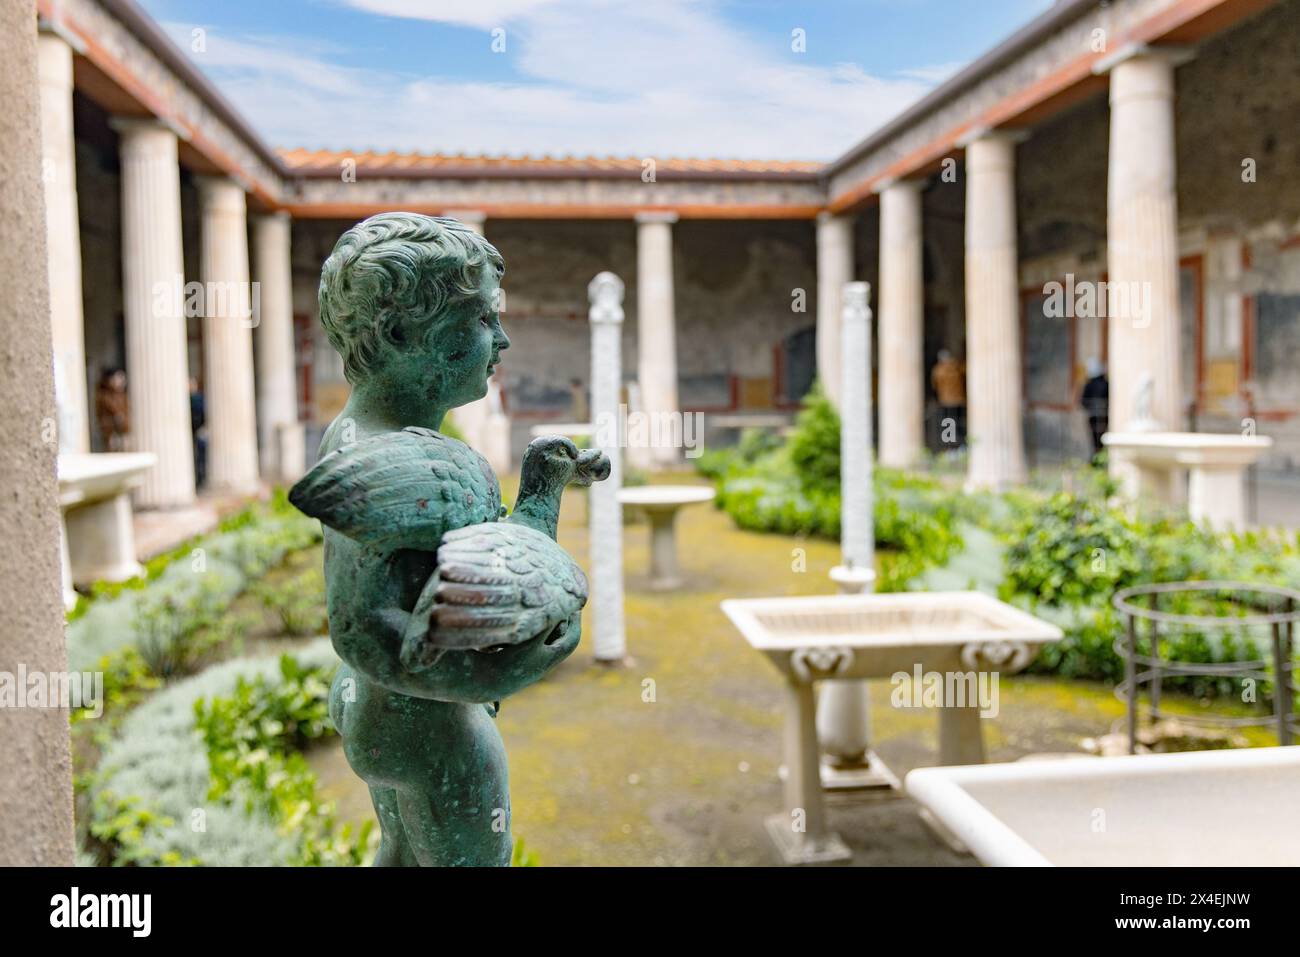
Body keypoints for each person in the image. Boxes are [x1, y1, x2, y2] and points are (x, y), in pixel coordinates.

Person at [931, 349, 966, 449]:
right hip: (959, 400)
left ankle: (950, 448)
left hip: (945, 401)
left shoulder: (938, 370)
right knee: (958, 424)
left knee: (947, 424)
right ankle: (960, 446)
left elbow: (935, 385)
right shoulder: (958, 367)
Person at [1080, 357, 1109, 461]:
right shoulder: (1106, 383)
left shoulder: (1089, 384)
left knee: (1095, 440)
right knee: (1102, 438)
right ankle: (1099, 458)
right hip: (1105, 416)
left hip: (1093, 416)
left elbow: (1083, 401)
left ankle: (1097, 458)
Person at [94, 367, 129, 451]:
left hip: (121, 428)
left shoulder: (121, 395)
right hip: (110, 430)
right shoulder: (104, 395)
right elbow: (110, 409)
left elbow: (125, 410)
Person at [189, 377, 207, 488]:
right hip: (191, 432)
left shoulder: (198, 399)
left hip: (198, 432)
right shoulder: (190, 399)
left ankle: (201, 478)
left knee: (200, 457)